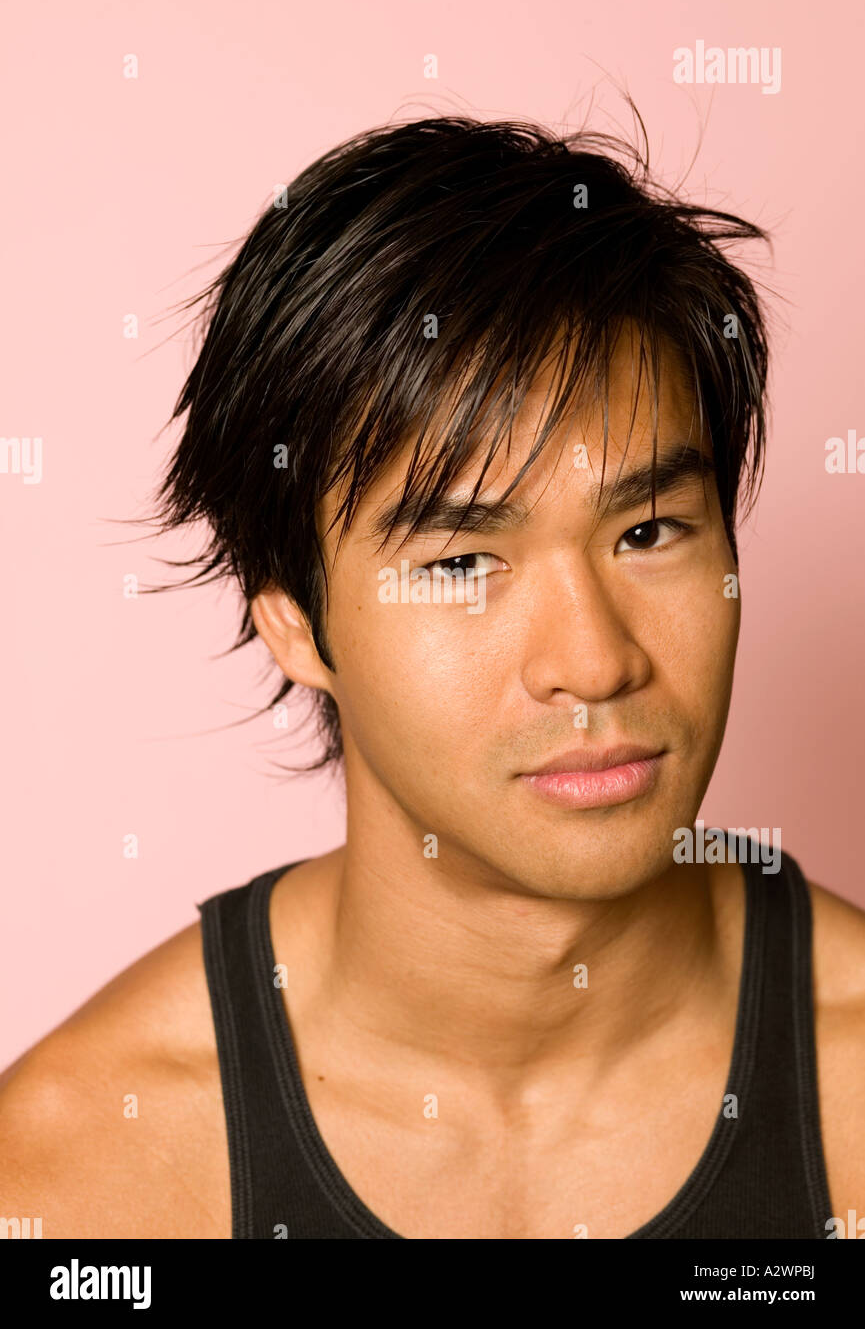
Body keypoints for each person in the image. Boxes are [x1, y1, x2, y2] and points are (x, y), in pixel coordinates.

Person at [2, 116, 863, 1240]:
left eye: (649, 532)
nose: (595, 661)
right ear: (296, 623)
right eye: (462, 562)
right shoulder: (82, 1176)